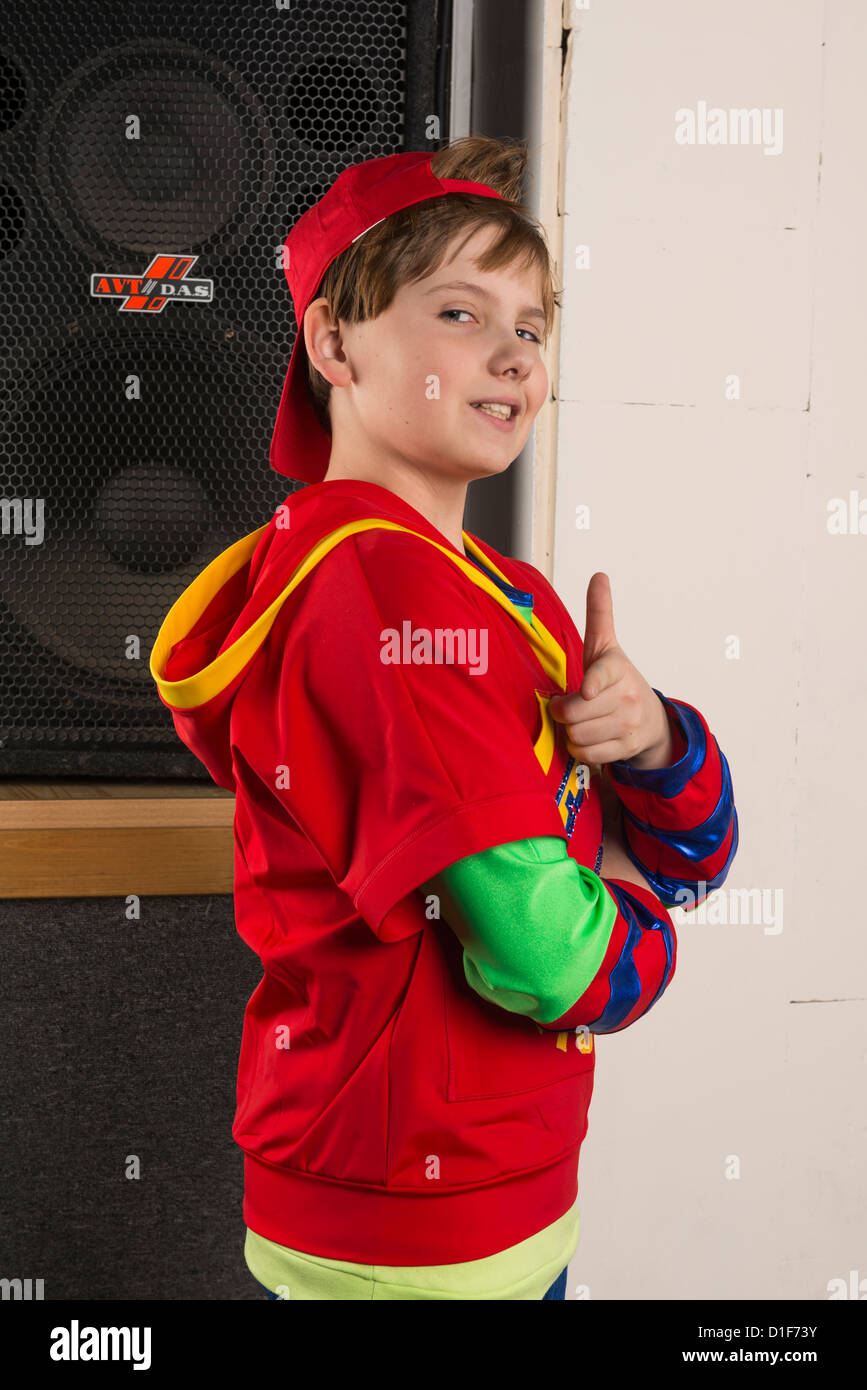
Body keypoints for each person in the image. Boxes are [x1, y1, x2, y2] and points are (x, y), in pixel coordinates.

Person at [150, 135, 738, 1300]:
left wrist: (656, 739)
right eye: (462, 313)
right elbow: (552, 952)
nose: (513, 354)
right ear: (333, 342)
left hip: (502, 1196)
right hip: (412, 1241)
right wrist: (648, 919)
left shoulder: (503, 591)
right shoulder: (376, 587)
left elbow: (694, 852)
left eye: (532, 325)